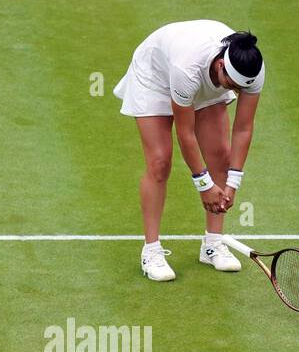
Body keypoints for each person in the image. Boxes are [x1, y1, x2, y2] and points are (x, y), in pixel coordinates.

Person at [113, 20, 266, 281]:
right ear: (221, 65)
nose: (237, 92)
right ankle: (151, 251)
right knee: (160, 162)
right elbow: (185, 132)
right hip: (155, 77)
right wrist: (204, 185)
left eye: (241, 88)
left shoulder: (250, 71)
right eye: (233, 85)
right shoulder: (186, 68)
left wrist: (233, 183)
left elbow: (243, 129)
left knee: (220, 155)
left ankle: (213, 244)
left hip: (203, 79)